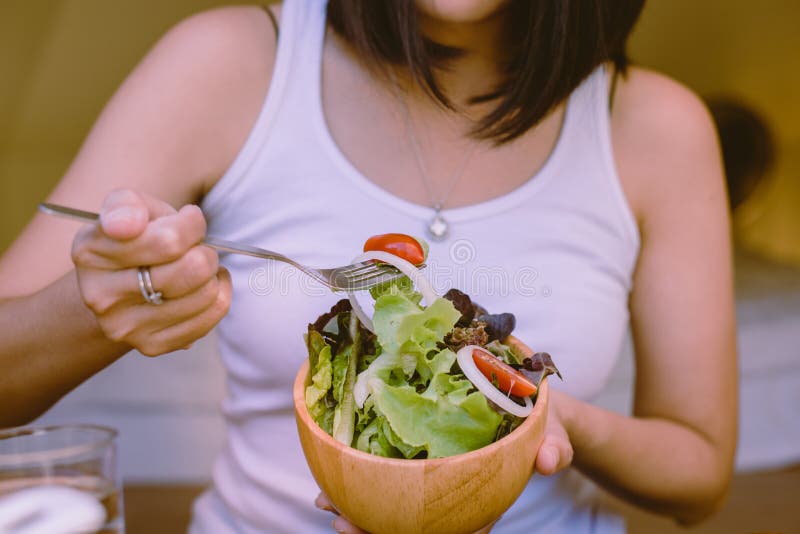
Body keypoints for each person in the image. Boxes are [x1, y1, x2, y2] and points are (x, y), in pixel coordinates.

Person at [0, 0, 737, 532]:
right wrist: (95, 306)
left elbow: (699, 476)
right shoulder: (228, 60)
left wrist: (536, 416)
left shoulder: (657, 127)